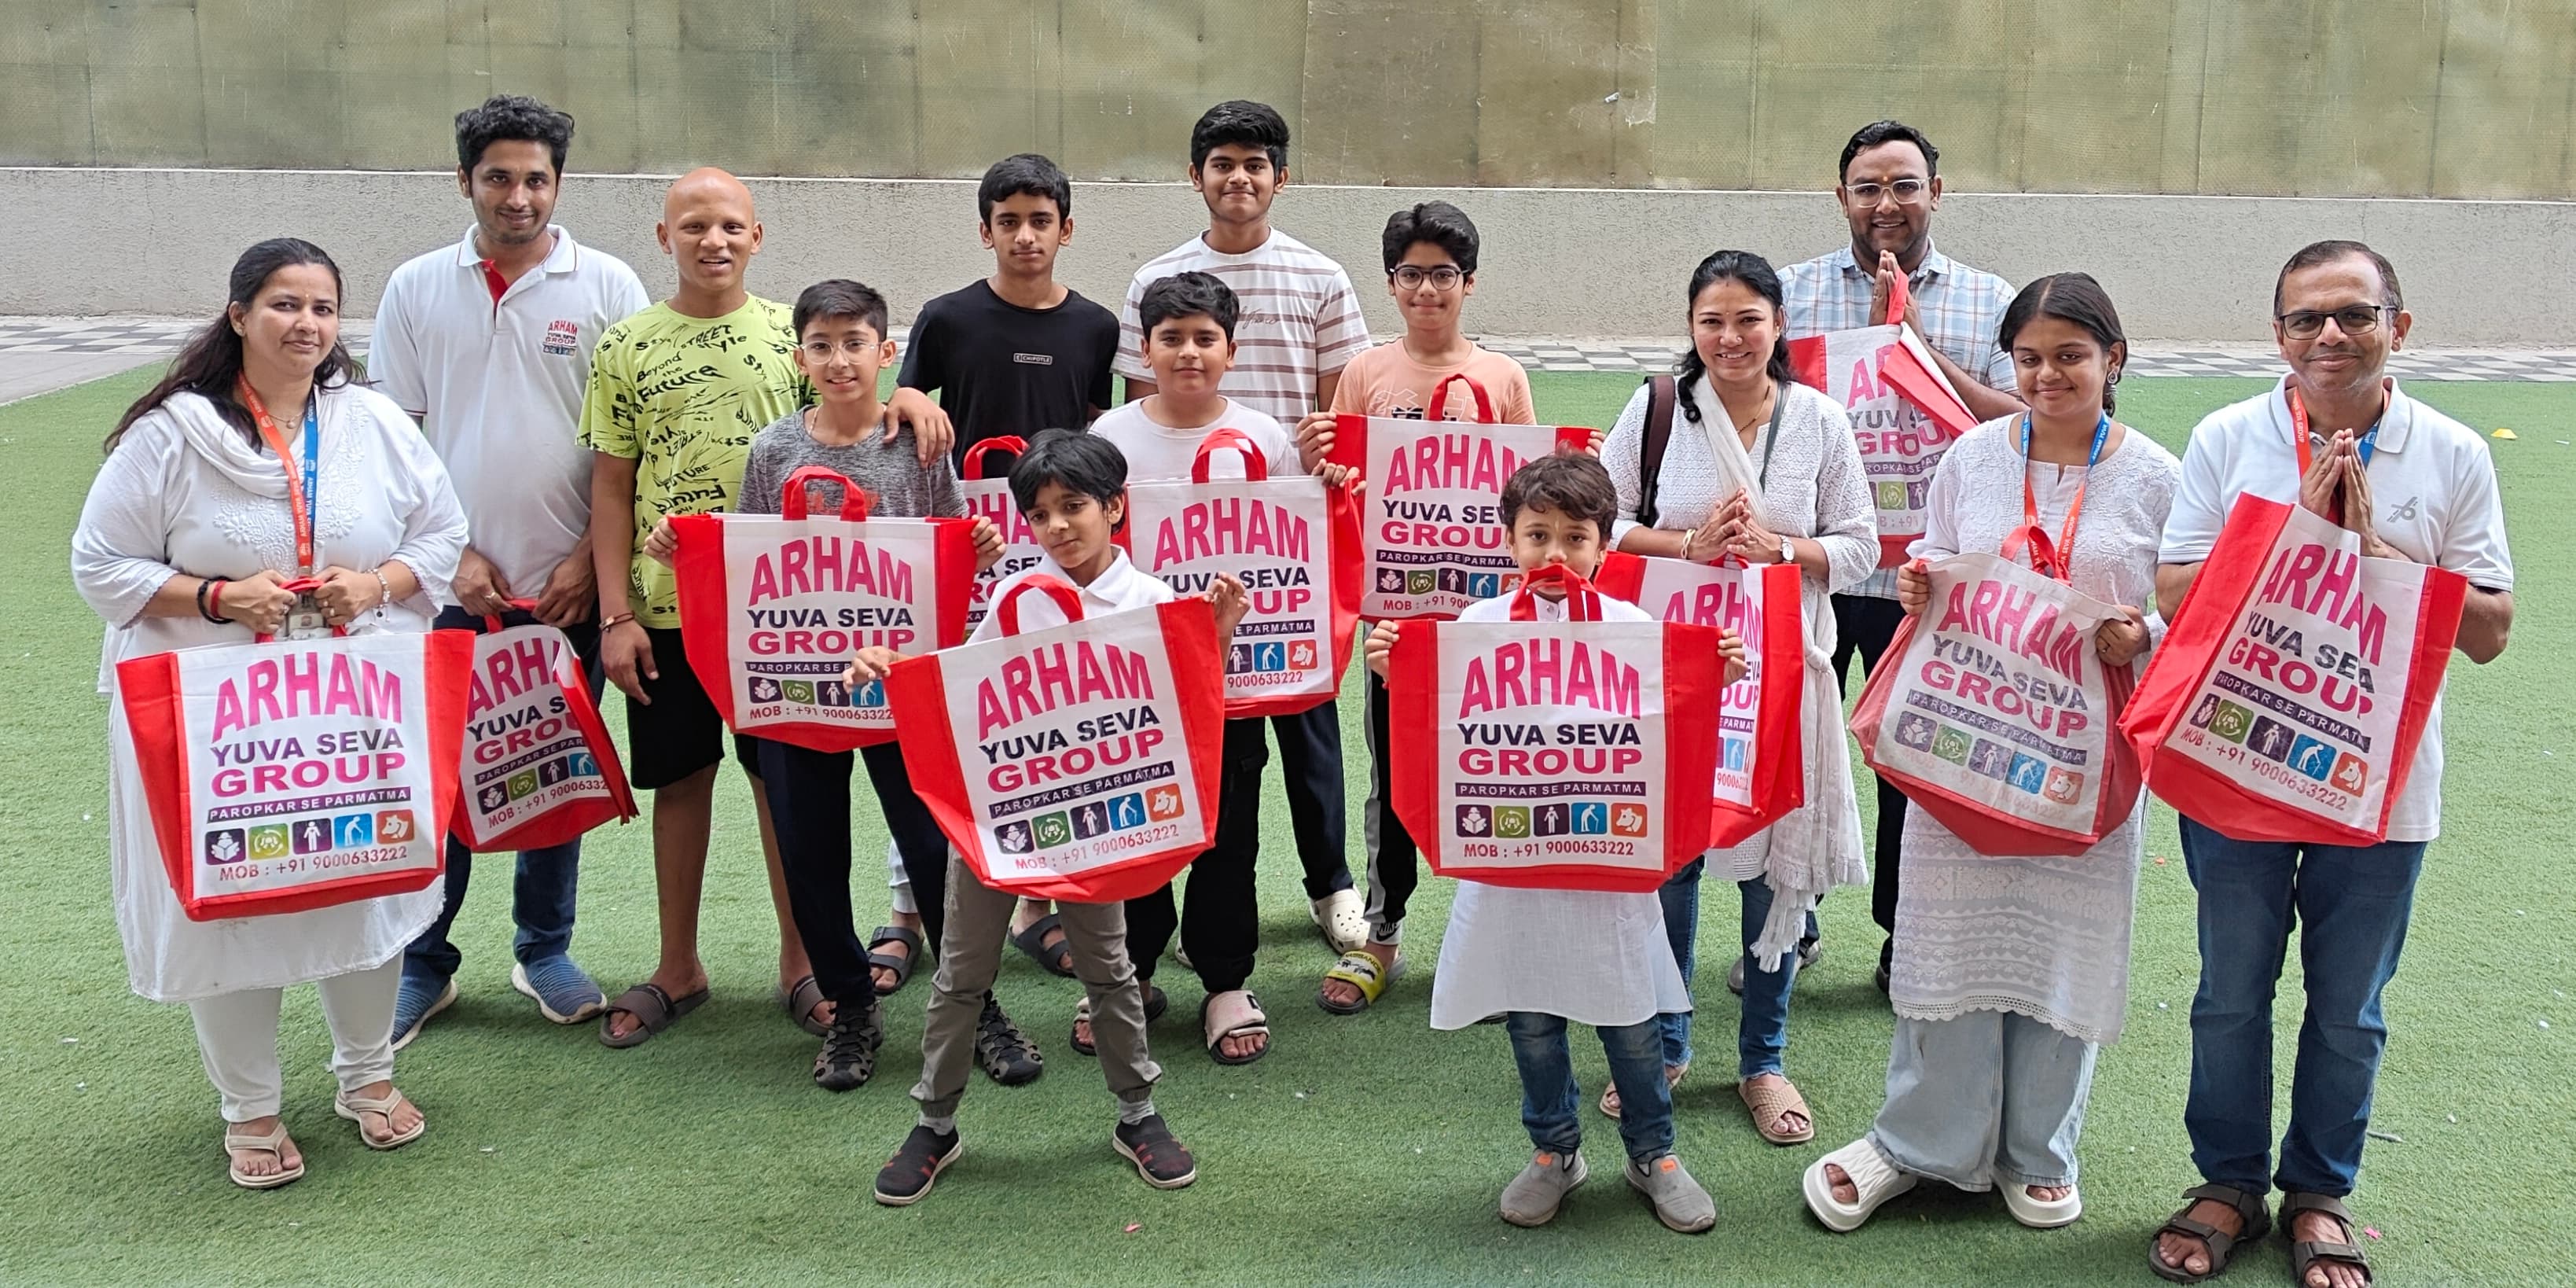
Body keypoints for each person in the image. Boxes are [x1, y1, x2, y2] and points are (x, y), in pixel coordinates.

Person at [2147, 241, 2514, 1288]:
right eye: (2306, 319)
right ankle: (2227, 1181)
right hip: (2241, 762)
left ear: (2399, 325)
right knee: (2229, 993)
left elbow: (2491, 630)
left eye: (2354, 314)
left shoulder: (2451, 452)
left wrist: (2383, 559)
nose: (2330, 336)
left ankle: (2318, 1190)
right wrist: (2297, 536)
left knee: (2349, 1007)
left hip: (2381, 786)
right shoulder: (2228, 437)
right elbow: (2172, 591)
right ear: (2277, 335)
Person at [71, 237, 467, 1188]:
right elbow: (100, 564)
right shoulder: (173, 433)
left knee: (359, 875)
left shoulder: (369, 419)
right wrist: (216, 598)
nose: (307, 324)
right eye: (285, 305)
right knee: (234, 899)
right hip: (216, 724)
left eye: (323, 308)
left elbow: (443, 531)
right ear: (240, 314)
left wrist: (376, 583)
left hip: (349, 712)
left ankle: (367, 1075)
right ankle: (248, 1108)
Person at [1805, 274, 2178, 1234]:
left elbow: (2189, 612)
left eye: (2070, 356)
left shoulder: (2156, 477)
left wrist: (2141, 634)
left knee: (2062, 946)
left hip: (2082, 760)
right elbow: (1931, 562)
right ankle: (1918, 1141)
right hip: (1965, 746)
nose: (2047, 375)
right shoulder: (1971, 457)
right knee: (1947, 942)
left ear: (2113, 359)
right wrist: (1919, 586)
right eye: (2029, 358)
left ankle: (2038, 1149)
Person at [578, 167, 954, 1047]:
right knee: (681, 782)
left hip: (804, 627)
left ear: (756, 236)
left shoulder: (793, 332)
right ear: (664, 237)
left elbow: (855, 400)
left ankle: (802, 966)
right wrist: (616, 614)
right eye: (693, 226)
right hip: (670, 608)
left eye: (730, 226)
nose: (713, 241)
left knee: (782, 788)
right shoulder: (627, 344)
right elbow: (611, 483)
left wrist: (905, 393)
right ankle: (679, 965)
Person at [639, 280, 1023, 1091]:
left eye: (855, 343)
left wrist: (977, 546)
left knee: (933, 845)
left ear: (886, 353)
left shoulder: (919, 444)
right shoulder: (773, 449)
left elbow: (952, 543)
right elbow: (749, 556)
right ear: (800, 358)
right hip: (796, 686)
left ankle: (974, 1002)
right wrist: (685, 549)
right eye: (822, 345)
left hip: (901, 685)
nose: (839, 360)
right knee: (809, 851)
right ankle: (851, 1004)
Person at [866, 430, 1248, 1205]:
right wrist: (896, 671)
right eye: (1039, 514)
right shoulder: (1017, 597)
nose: (1056, 527)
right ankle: (934, 1122)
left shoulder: (1155, 604)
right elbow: (963, 685)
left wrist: (1218, 633)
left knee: (1108, 969)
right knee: (961, 972)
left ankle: (1137, 1113)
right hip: (1002, 816)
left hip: (1096, 820)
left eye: (1072, 506)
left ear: (1114, 507)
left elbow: (1194, 705)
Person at [1366, 451, 1744, 1233]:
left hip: (1608, 871)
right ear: (1508, 540)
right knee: (1531, 1021)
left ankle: (1653, 1154)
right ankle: (1554, 1151)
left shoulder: (1634, 631)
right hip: (1512, 872)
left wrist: (1715, 676)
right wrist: (1400, 674)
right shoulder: (1473, 629)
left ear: (1603, 546)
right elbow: (1437, 734)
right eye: (1537, 534)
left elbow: (1672, 733)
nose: (1555, 554)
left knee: (1632, 1025)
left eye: (1575, 538)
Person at [368, 94, 649, 1046]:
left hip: (568, 589)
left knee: (552, 773)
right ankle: (423, 961)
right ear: (465, 181)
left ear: (559, 185)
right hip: (447, 591)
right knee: (438, 784)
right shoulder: (415, 286)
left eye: (536, 179)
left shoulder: (607, 285)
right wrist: (449, 556)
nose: (518, 196)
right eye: (499, 178)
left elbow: (628, 446)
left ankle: (544, 949)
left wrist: (587, 563)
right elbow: (392, 442)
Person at [1598, 250, 1876, 1144]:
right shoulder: (1656, 410)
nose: (1729, 338)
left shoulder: (1819, 421)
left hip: (1782, 673)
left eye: (1748, 319)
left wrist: (1779, 552)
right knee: (1671, 860)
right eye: (1711, 321)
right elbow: (1598, 522)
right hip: (1675, 673)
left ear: (1778, 324)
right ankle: (1667, 1044)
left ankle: (1763, 1058)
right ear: (1691, 326)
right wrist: (1685, 546)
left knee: (1771, 868)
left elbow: (1862, 547)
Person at [1119, 100, 1370, 952]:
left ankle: (1331, 884)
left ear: (1280, 178)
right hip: (1179, 541)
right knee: (1192, 724)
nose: (1238, 178)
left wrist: (1326, 474)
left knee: (1306, 717)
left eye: (1255, 164)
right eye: (1221, 164)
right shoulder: (1154, 279)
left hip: (1283, 532)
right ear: (1196, 176)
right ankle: (1161, 898)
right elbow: (1138, 409)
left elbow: (1340, 407)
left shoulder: (1320, 276)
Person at [1781, 120, 2024, 995]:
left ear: (1936, 193)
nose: (1886, 204)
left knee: (1913, 763)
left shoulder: (1987, 300)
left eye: (1904, 185)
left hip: (1924, 574)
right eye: (1867, 188)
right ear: (1841, 196)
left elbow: (2023, 421)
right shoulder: (1790, 292)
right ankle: (1788, 920)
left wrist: (1919, 348)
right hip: (1812, 565)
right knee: (1796, 748)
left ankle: (1902, 936)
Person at [1088, 271, 1353, 1065]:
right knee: (1133, 823)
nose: (1188, 353)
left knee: (1228, 829)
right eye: (1171, 338)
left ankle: (1225, 979)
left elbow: (1300, 544)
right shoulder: (1110, 436)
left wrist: (1330, 485)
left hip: (1231, 684)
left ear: (1231, 351)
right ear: (1145, 349)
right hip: (1133, 681)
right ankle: (1128, 971)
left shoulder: (1264, 437)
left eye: (1205, 338)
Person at [1295, 201, 1538, 1017]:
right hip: (1394, 625)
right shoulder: (1366, 373)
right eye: (1411, 275)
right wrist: (1330, 472)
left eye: (1443, 275)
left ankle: (1494, 947)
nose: (1426, 290)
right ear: (1391, 283)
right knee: (1396, 779)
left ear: (1469, 283)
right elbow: (1342, 491)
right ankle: (1382, 935)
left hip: (1487, 624)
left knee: (1492, 772)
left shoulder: (1502, 377)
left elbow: (1528, 496)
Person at [896, 151, 1122, 988]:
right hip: (972, 548)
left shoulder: (1095, 326)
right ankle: (906, 910)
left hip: (1057, 549)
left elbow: (1096, 434)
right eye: (1008, 222)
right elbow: (904, 406)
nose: (1025, 236)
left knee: (1046, 718)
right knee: (943, 714)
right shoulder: (947, 318)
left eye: (1040, 221)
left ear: (1067, 228)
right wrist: (907, 398)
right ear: (985, 230)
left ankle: (1035, 903)